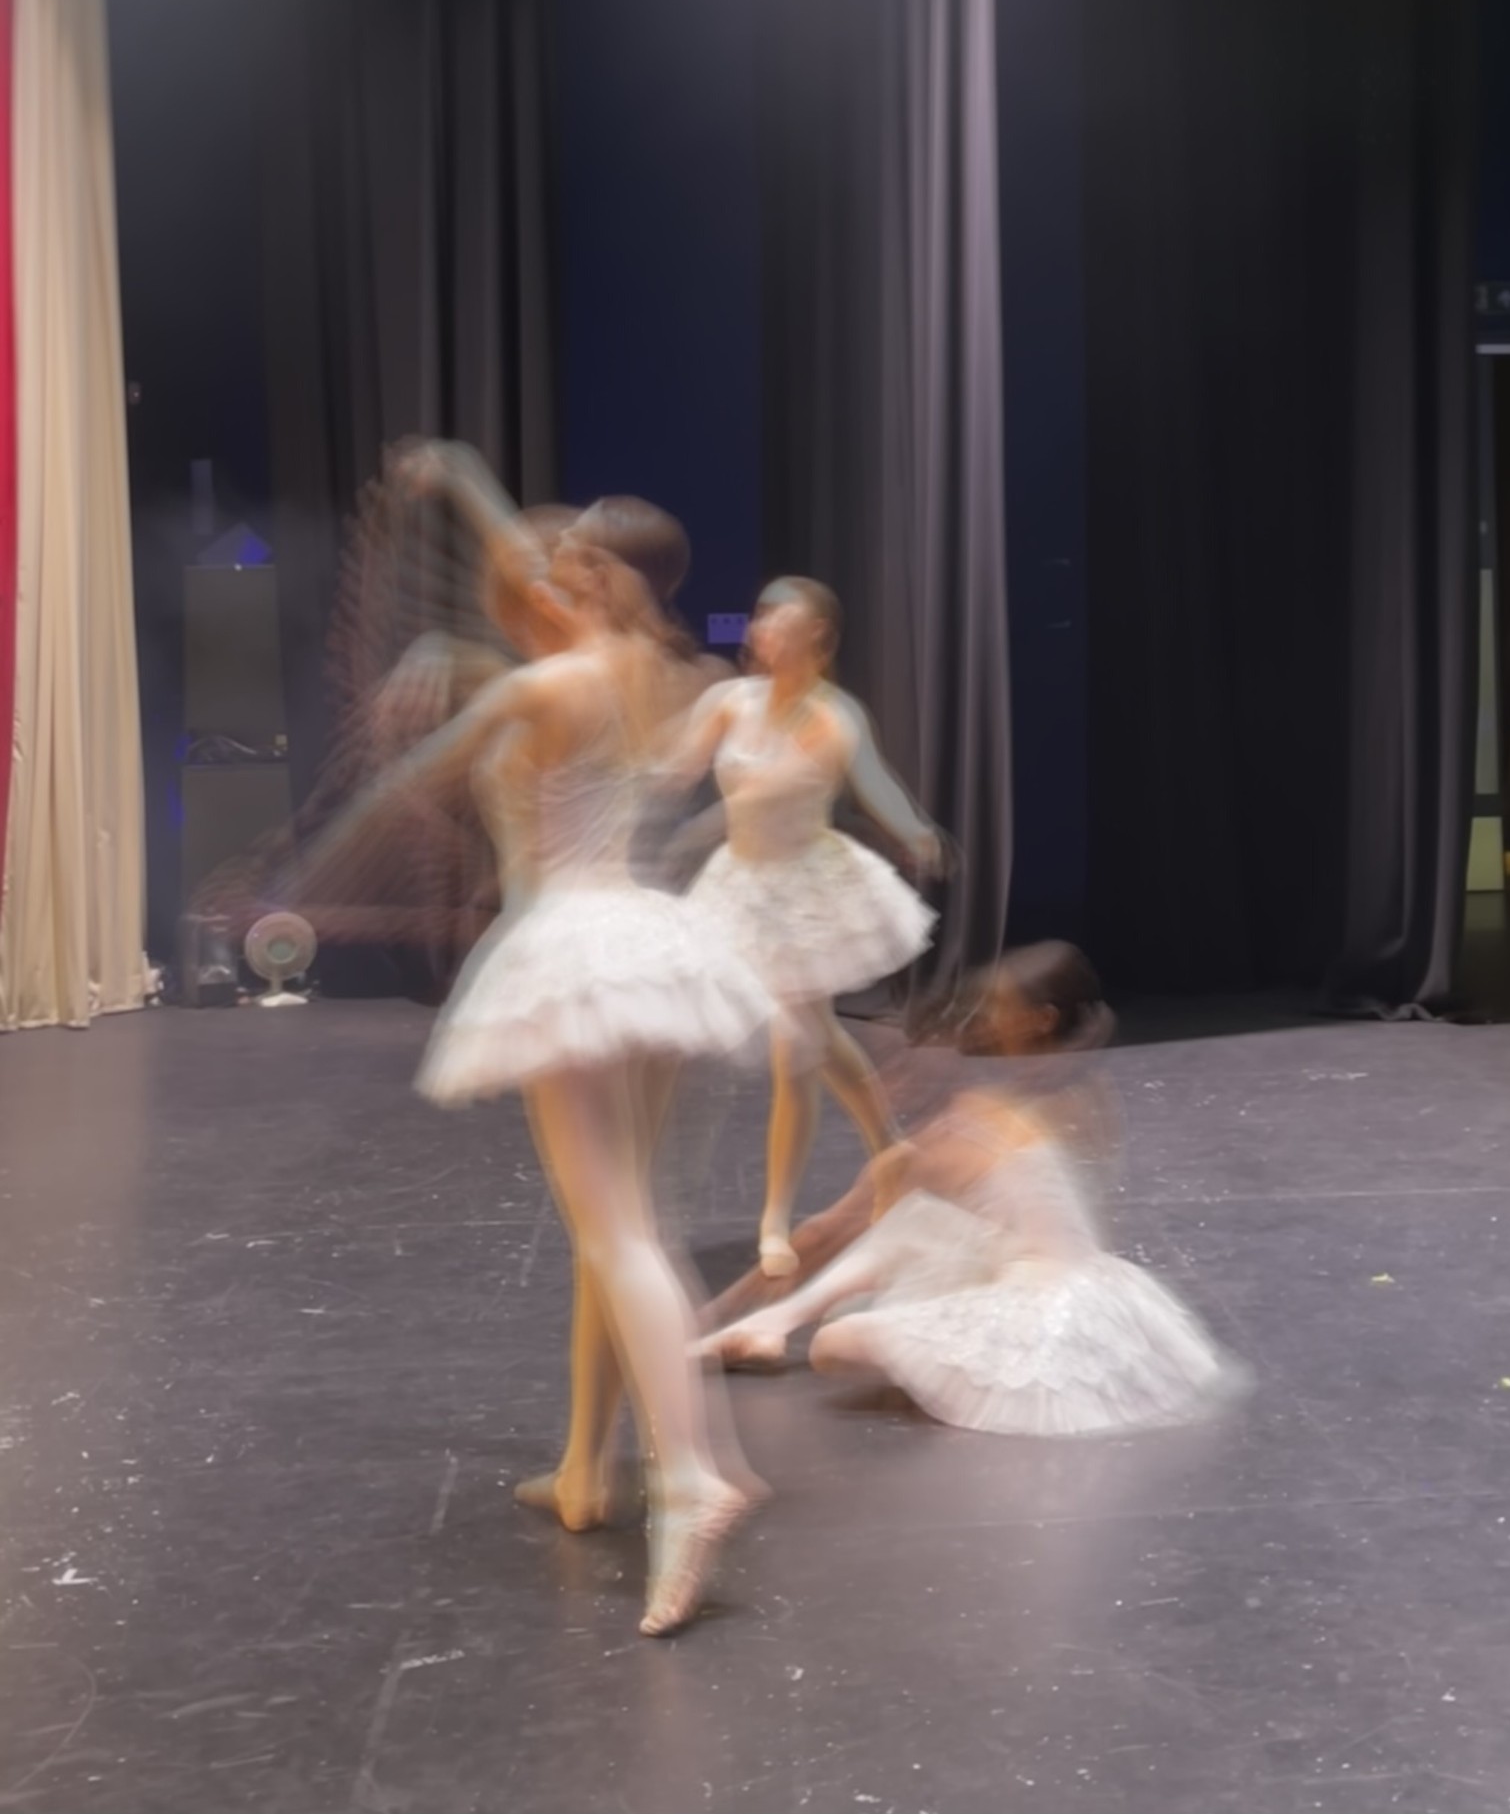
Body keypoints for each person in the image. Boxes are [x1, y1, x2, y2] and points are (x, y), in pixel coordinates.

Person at [288, 494, 772, 1635]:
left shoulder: (544, 686)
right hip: (650, 945)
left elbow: (386, 794)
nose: (532, 577)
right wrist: (458, 490)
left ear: (586, 579)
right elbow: (526, 589)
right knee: (627, 1234)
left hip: (571, 950)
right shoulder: (656, 671)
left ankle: (692, 1475)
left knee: (618, 1233)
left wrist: (287, 885)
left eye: (561, 565)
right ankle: (597, 1470)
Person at [698, 944, 1238, 1438]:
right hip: (1086, 1284)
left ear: (1040, 1019)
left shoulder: (967, 1126)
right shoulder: (1077, 1093)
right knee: (918, 1224)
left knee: (834, 1343)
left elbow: (828, 1232)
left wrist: (711, 1313)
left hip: (1044, 1312)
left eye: (998, 1008)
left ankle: (768, 1325)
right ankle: (769, 1326)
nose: (986, 1020)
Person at [668, 577, 943, 1281]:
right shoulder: (728, 701)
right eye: (759, 617)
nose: (760, 629)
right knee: (816, 1033)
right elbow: (672, 769)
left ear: (816, 636)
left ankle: (775, 1215)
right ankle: (891, 1149)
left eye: (777, 620)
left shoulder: (834, 714)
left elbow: (873, 782)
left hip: (808, 887)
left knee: (796, 1047)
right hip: (741, 886)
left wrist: (913, 828)